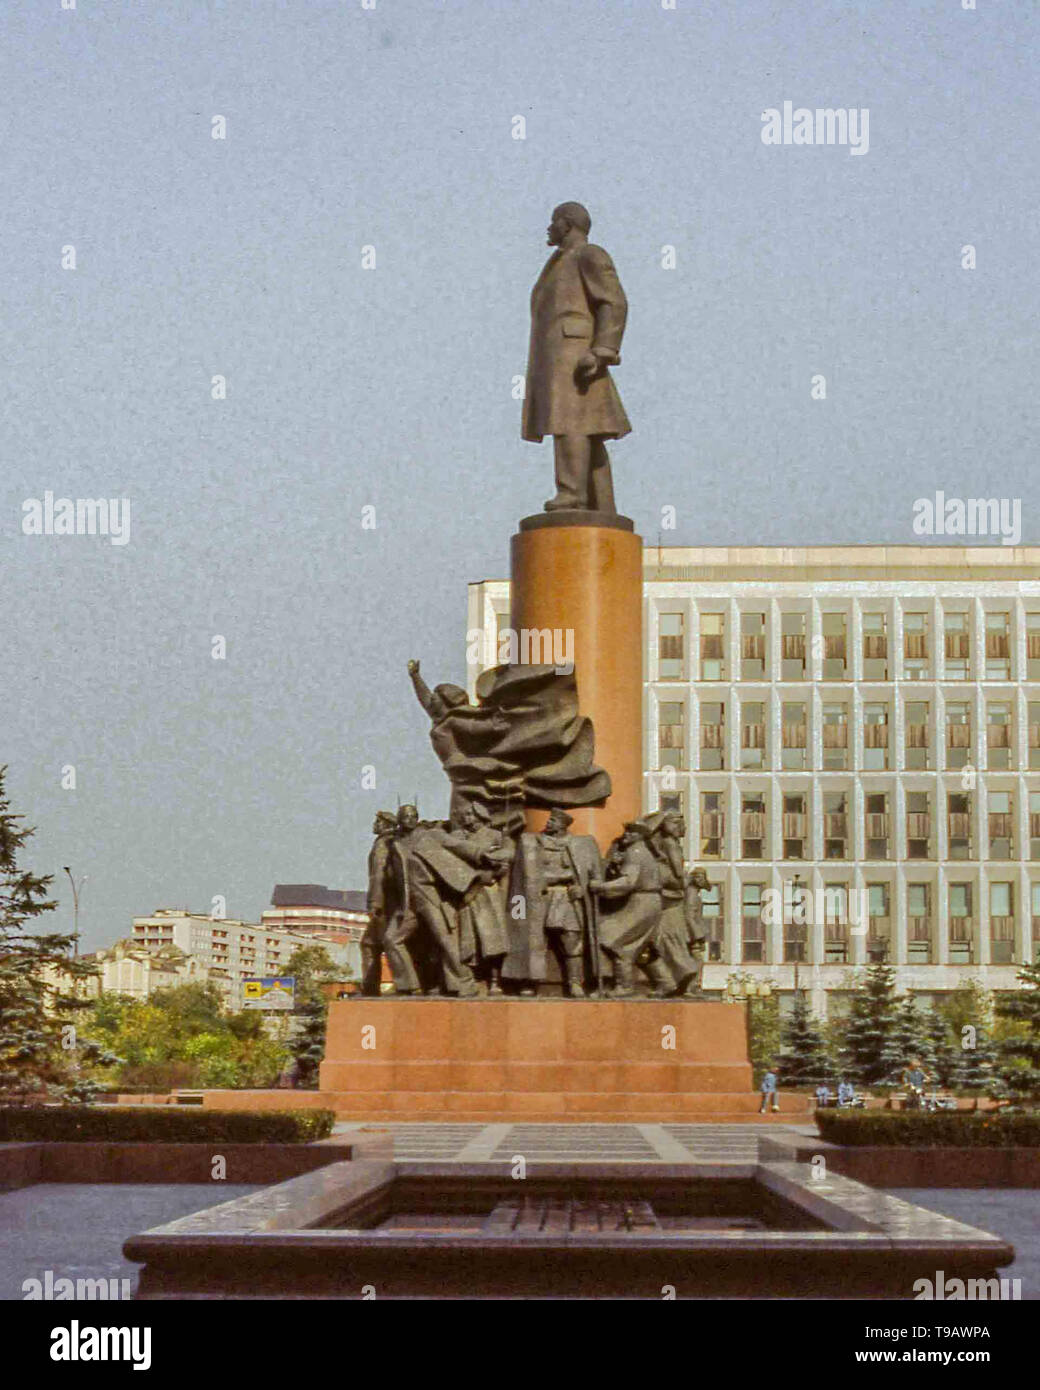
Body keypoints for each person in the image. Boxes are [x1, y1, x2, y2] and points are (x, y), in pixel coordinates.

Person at [523, 201, 631, 513]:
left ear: (567, 224)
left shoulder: (589, 254)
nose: (548, 228)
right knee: (588, 428)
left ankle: (571, 494)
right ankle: (602, 504)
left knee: (569, 422)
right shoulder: (558, 262)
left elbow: (614, 302)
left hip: (575, 354)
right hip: (559, 355)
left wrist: (602, 349)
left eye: (553, 221)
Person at [503, 807, 603, 997]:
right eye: (549, 820)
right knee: (535, 940)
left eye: (554, 821)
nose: (548, 823)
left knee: (572, 939)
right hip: (540, 897)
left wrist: (583, 887)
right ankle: (530, 981)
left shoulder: (581, 845)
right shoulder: (532, 843)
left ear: (563, 826)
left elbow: (592, 876)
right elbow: (526, 875)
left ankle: (575, 981)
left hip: (566, 898)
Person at [591, 821, 663, 997]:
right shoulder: (639, 852)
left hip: (642, 902)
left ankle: (624, 986)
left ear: (641, 835)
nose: (626, 835)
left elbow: (628, 882)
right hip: (646, 901)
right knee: (642, 945)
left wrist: (600, 887)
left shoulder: (635, 852)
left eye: (632, 832)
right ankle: (666, 982)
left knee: (614, 940)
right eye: (626, 831)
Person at [453, 802, 514, 994]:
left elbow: (506, 858)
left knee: (492, 938)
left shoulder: (495, 835)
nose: (466, 817)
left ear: (480, 815)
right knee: (468, 938)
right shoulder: (457, 836)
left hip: (488, 890)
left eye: (471, 814)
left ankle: (495, 980)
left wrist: (493, 863)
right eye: (465, 814)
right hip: (465, 891)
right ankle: (473, 979)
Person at [638, 811, 700, 996]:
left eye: (678, 823)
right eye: (674, 823)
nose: (679, 827)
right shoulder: (667, 843)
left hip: (665, 897)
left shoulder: (669, 843)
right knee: (657, 941)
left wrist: (681, 880)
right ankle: (676, 977)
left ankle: (677, 976)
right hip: (667, 896)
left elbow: (678, 871)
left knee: (656, 940)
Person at [360, 810, 397, 995]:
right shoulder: (394, 841)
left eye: (378, 821)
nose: (375, 824)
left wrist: (374, 902)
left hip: (384, 905)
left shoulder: (382, 844)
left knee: (373, 944)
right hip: (392, 904)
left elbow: (378, 874)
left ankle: (370, 989)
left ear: (385, 824)